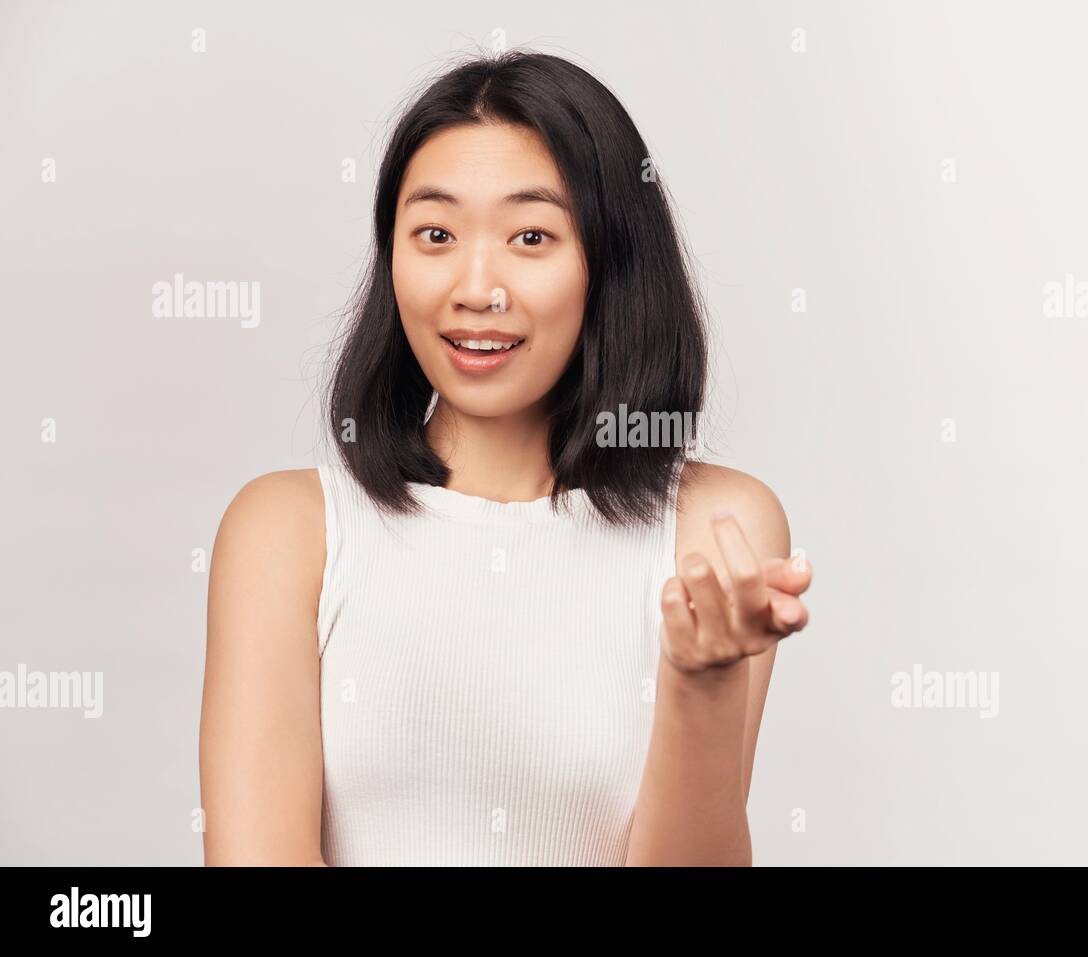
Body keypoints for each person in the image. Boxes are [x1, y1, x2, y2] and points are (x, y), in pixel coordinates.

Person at [199, 50, 812, 866]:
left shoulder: (714, 527)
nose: (476, 285)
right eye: (436, 234)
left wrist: (704, 680)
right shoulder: (287, 531)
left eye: (530, 235)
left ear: (610, 264)